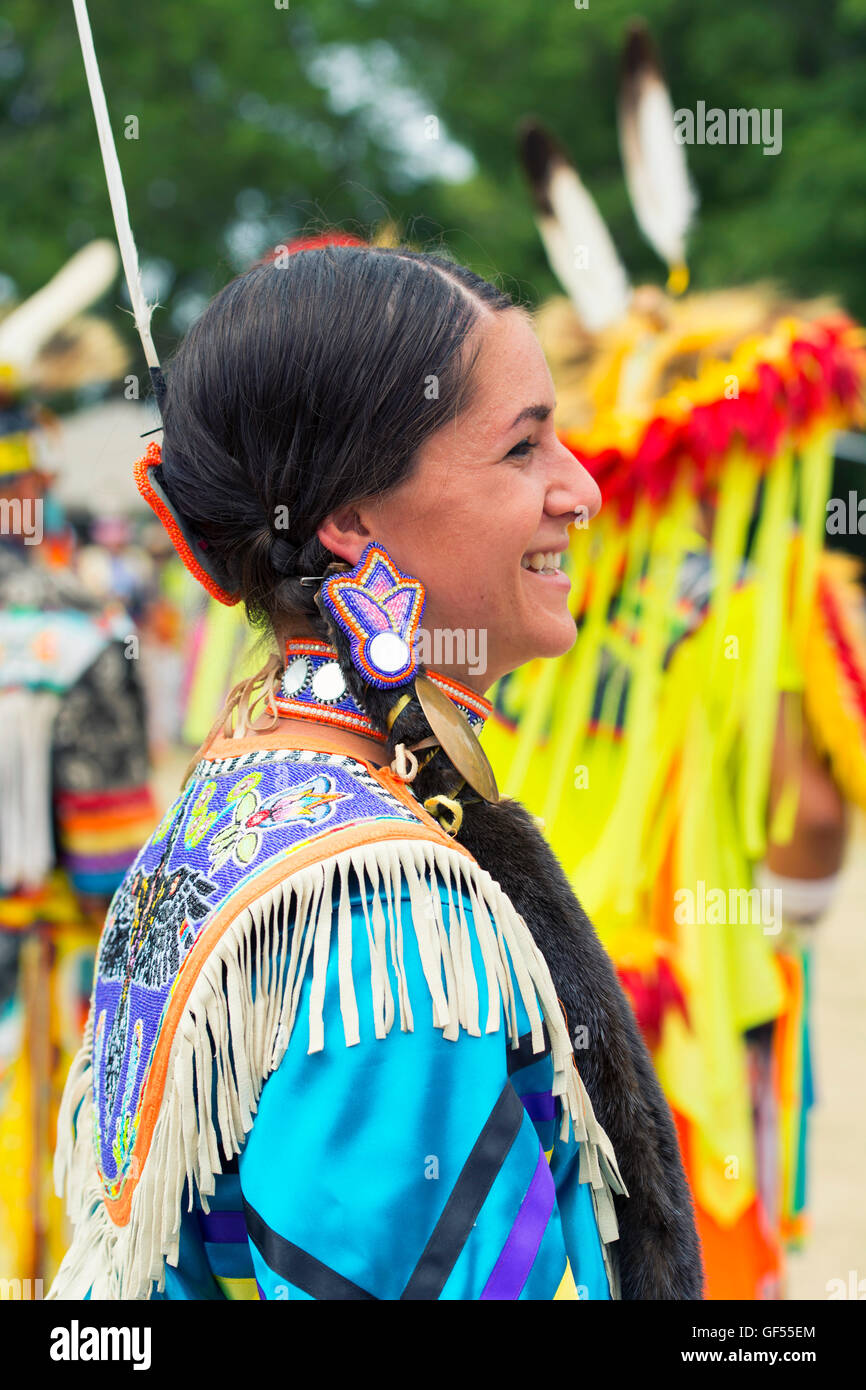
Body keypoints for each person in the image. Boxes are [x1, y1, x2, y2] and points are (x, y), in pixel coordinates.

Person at [49, 242, 702, 1301]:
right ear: (351, 520)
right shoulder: (393, 926)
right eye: (522, 449)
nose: (578, 490)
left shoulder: (246, 787)